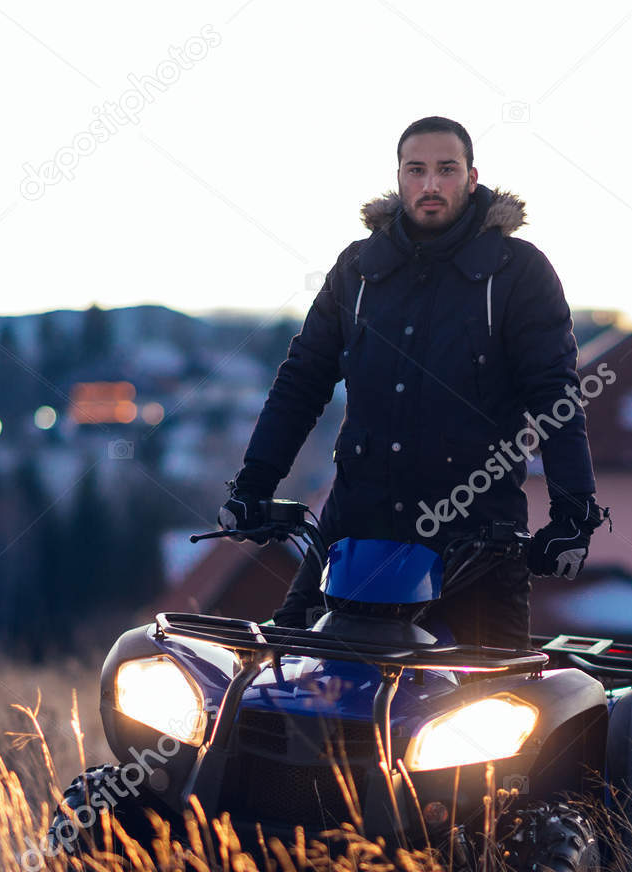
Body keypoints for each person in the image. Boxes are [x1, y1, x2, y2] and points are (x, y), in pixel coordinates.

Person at [219, 115, 605, 649]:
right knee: (283, 685)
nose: (430, 184)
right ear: (398, 179)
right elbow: (301, 381)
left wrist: (573, 514)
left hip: (478, 541)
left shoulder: (517, 272)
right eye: (416, 170)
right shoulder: (356, 270)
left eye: (446, 170)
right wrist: (253, 486)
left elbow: (555, 399)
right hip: (354, 531)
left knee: (503, 709)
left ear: (471, 178)